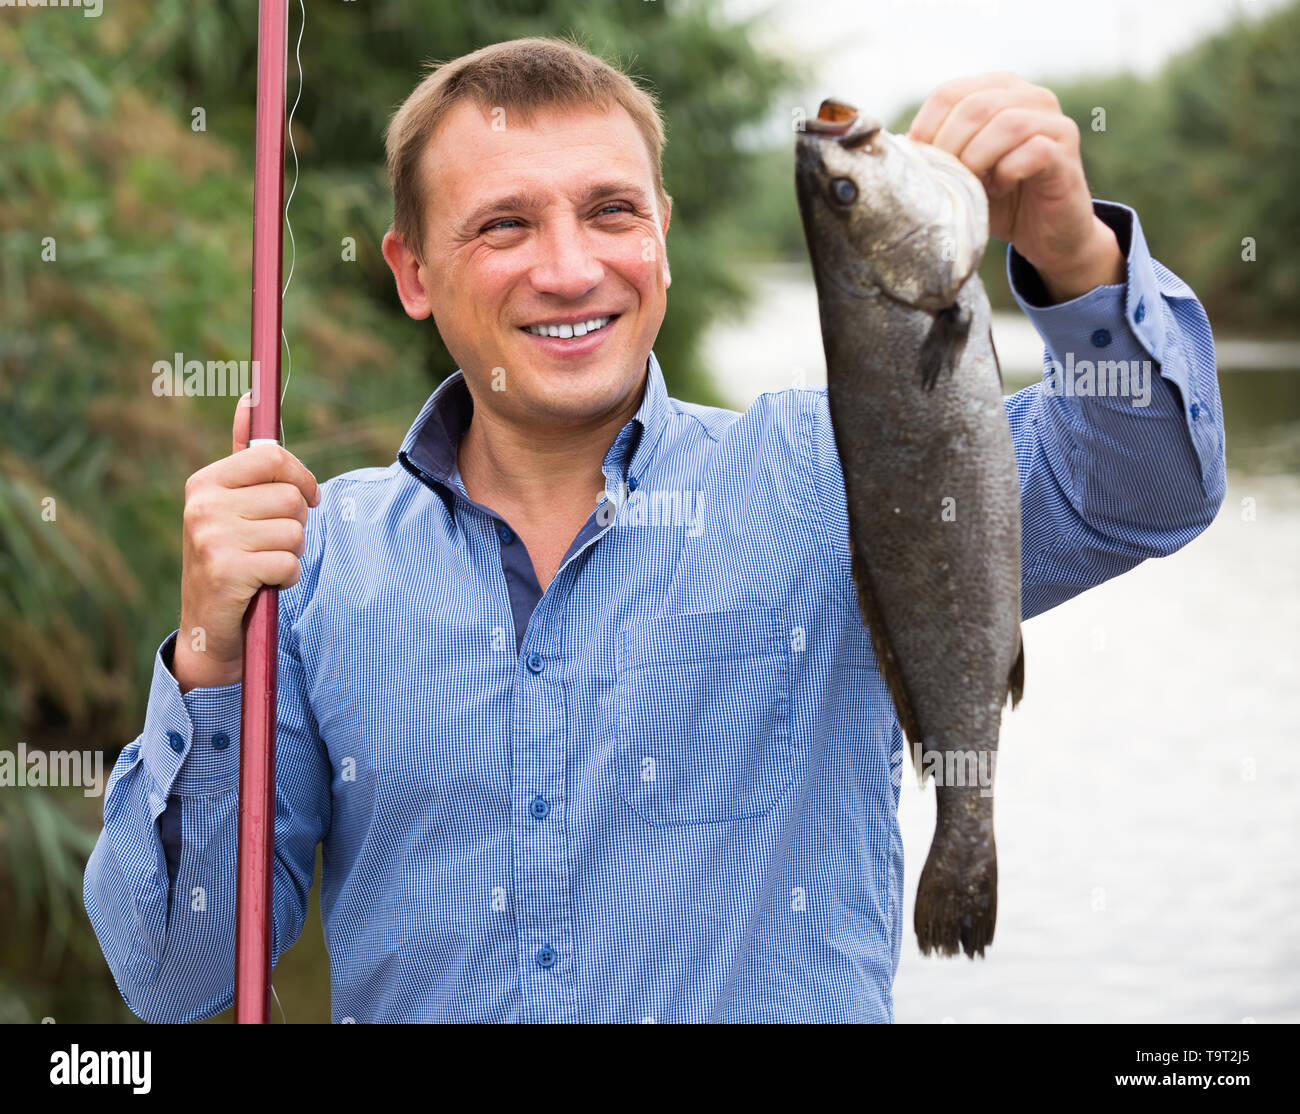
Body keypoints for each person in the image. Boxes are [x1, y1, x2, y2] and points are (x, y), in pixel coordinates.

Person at [83, 37, 1226, 1023]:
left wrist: (1078, 261)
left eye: (611, 210)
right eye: (503, 225)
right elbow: (178, 977)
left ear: (665, 236)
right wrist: (212, 659)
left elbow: (1147, 491)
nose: (571, 266)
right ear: (412, 273)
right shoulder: (313, 563)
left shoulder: (834, 472)